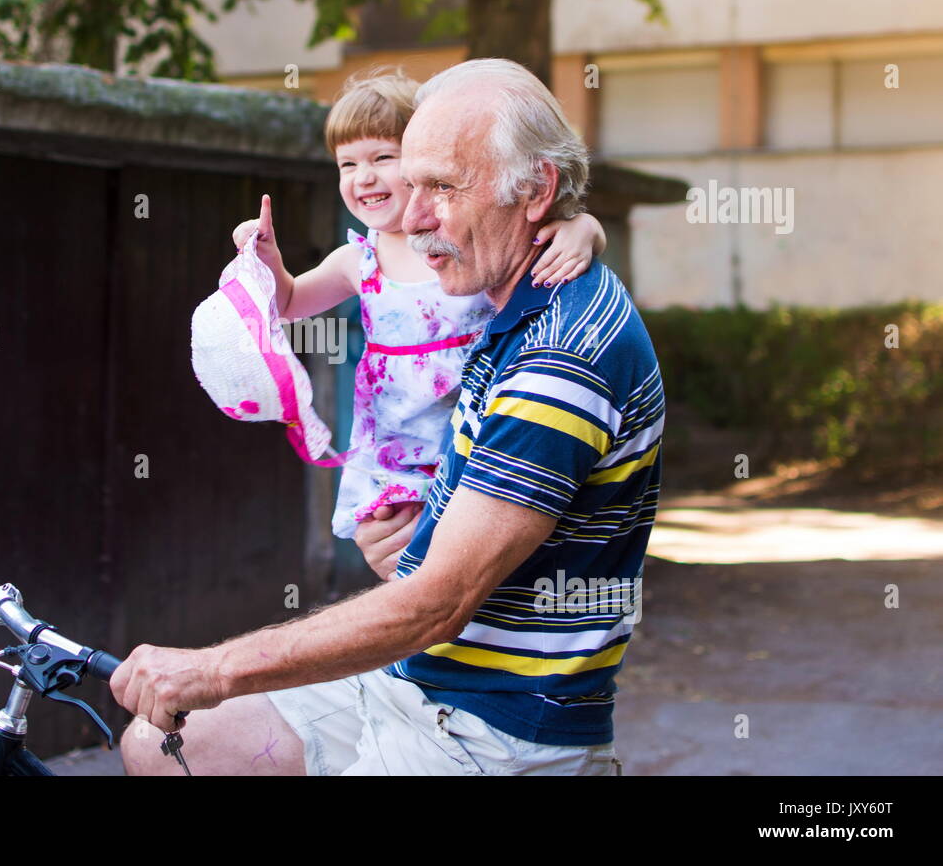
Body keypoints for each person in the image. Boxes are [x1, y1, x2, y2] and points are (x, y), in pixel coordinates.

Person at [112, 58, 665, 776]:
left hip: (486, 727)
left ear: (535, 191)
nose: (409, 216)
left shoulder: (561, 357)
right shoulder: (504, 298)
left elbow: (435, 601)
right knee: (162, 745)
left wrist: (214, 668)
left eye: (440, 186)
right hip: (414, 676)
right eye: (415, 180)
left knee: (199, 712)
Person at [231, 69, 605, 542]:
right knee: (405, 558)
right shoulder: (357, 261)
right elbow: (287, 301)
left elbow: (551, 221)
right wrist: (266, 255)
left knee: (473, 550)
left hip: (473, 440)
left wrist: (584, 227)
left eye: (383, 157)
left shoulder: (468, 243)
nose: (364, 177)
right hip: (397, 451)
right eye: (347, 164)